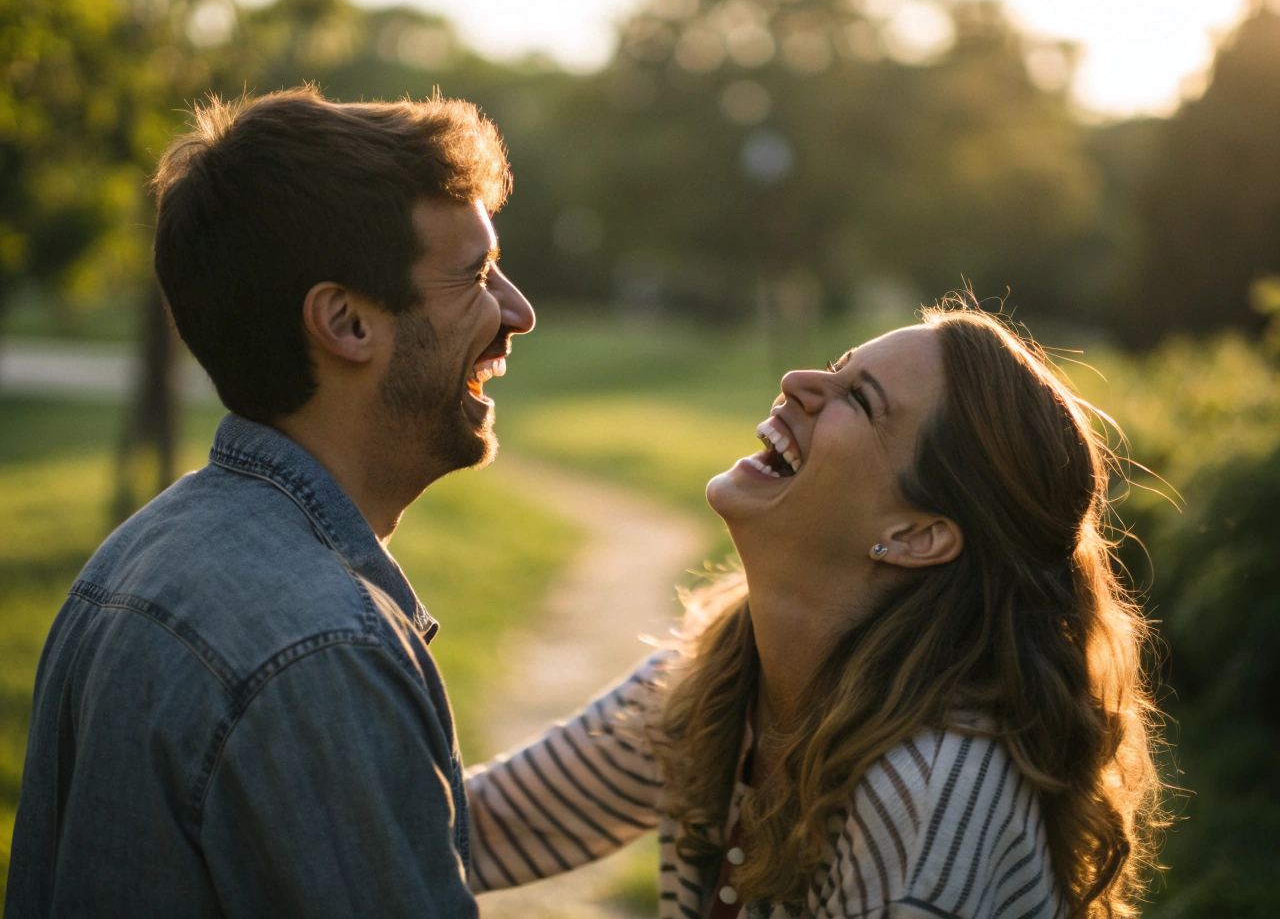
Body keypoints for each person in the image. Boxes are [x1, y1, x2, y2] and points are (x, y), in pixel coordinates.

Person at [5, 87, 535, 916]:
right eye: (474, 276)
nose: (518, 313)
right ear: (347, 322)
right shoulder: (324, 649)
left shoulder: (134, 556)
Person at [465, 301, 1164, 918]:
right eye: (835, 365)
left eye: (858, 400)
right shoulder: (723, 678)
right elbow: (486, 828)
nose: (798, 382)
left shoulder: (923, 798)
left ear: (915, 536)